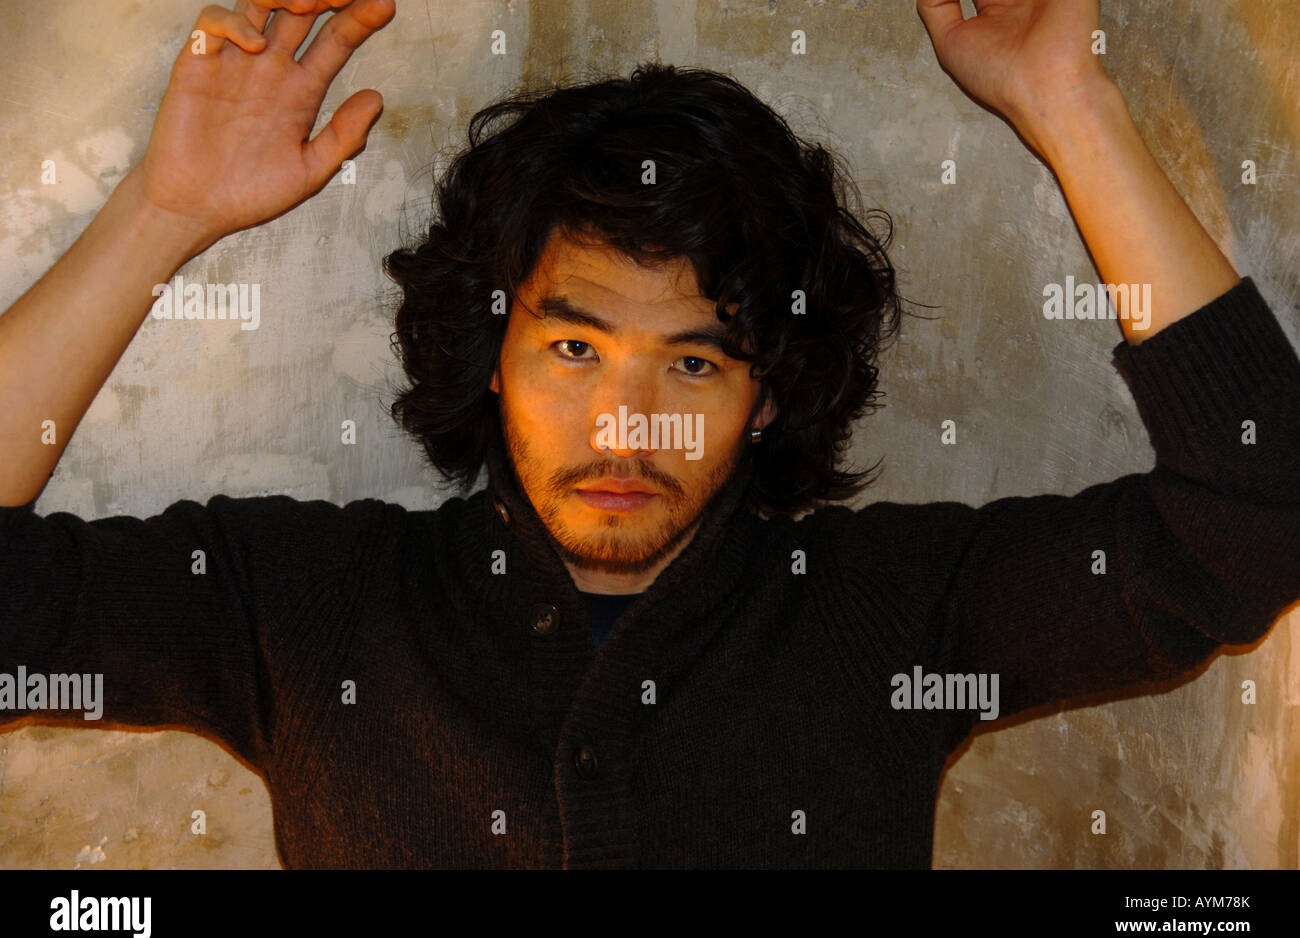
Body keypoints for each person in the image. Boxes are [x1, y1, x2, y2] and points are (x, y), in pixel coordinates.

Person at [1, 0, 1296, 868]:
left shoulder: (891, 616)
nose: (624, 420)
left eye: (695, 360)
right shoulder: (306, 606)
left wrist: (1068, 107)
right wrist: (161, 217)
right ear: (494, 361)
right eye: (573, 349)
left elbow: (1255, 514)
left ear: (768, 394)